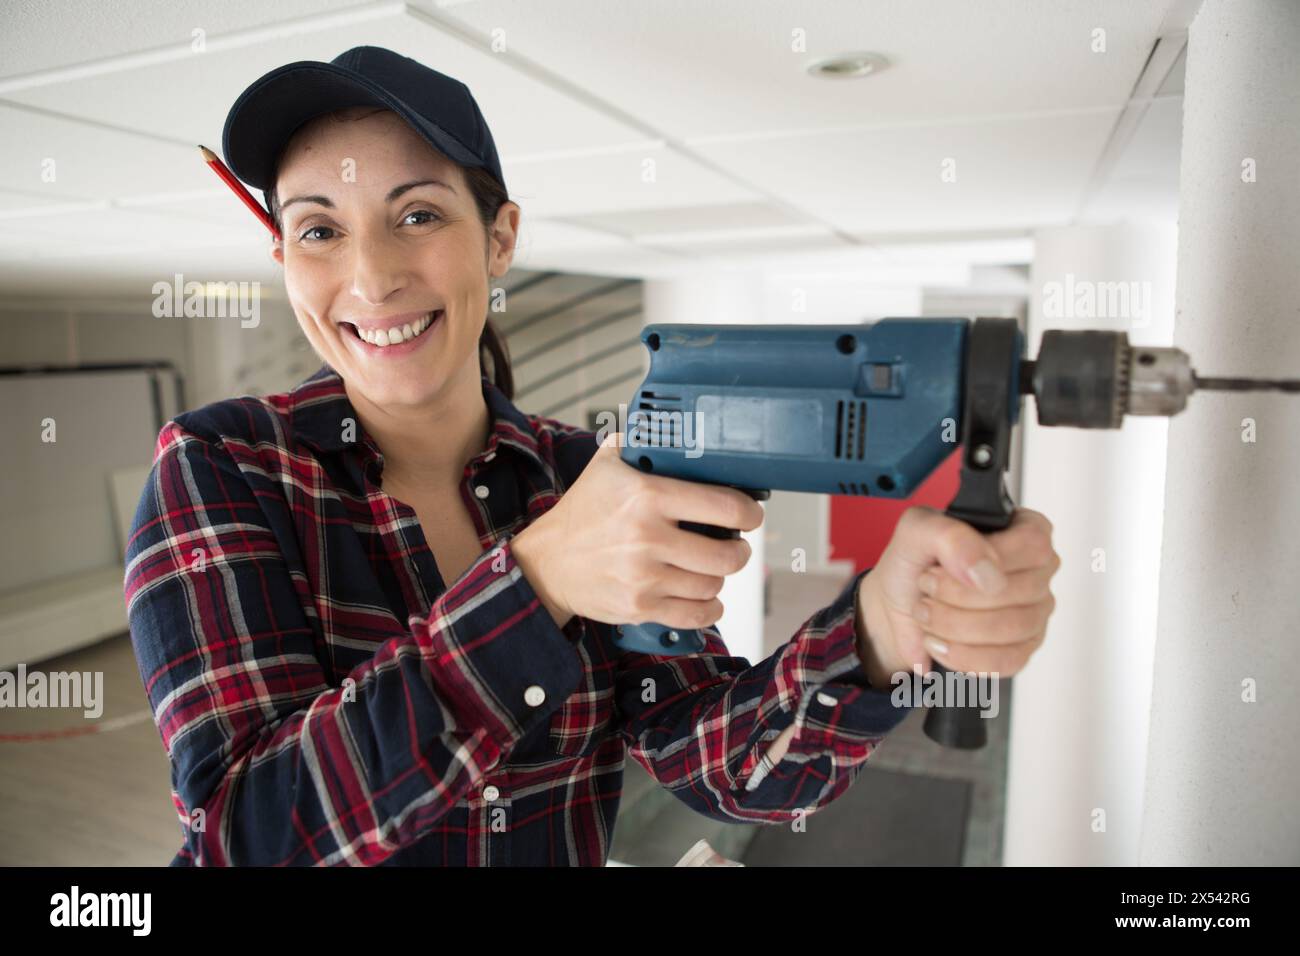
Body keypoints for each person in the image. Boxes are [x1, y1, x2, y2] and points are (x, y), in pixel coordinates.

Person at [124, 46, 1060, 866]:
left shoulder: (586, 481)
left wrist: (881, 633)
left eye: (416, 215)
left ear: (499, 240)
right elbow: (249, 836)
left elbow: (722, 764)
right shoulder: (221, 469)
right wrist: (536, 583)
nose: (370, 277)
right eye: (319, 229)